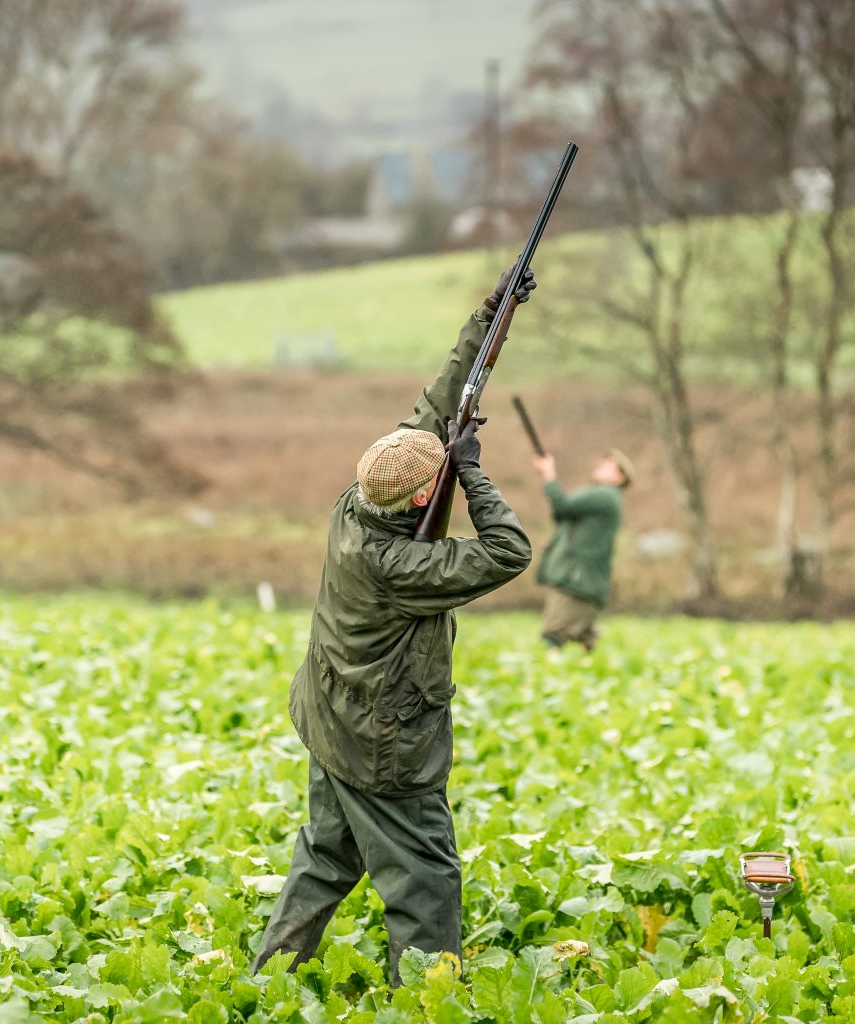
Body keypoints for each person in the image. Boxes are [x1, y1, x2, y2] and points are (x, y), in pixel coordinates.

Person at [251, 266, 536, 985]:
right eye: (436, 479)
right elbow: (510, 550)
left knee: (324, 858)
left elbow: (437, 405)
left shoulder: (360, 500)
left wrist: (490, 313)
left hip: (329, 719)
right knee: (427, 878)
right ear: (421, 499)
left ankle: (266, 983)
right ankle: (426, 1003)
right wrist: (472, 474)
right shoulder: (394, 566)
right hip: (380, 744)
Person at [530, 449, 633, 651]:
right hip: (581, 580)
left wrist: (549, 474)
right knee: (587, 641)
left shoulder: (605, 496)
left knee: (553, 636)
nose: (600, 465)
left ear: (620, 478)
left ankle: (555, 677)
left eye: (608, 465)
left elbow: (562, 506)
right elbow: (563, 513)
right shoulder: (602, 496)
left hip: (576, 581)